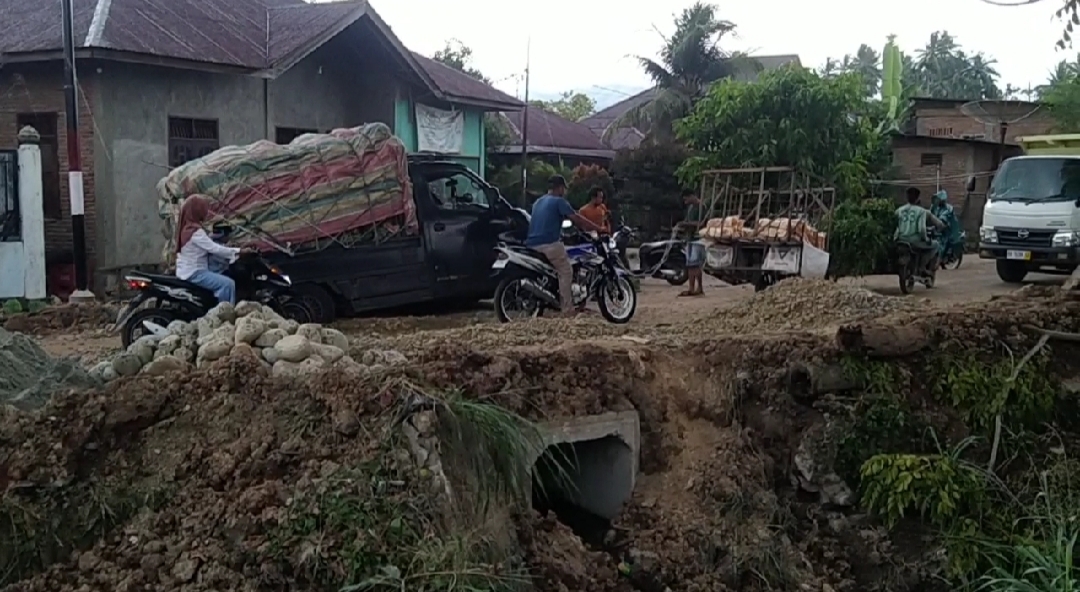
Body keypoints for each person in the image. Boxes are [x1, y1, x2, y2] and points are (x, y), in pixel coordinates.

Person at [526, 175, 604, 315]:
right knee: (566, 271)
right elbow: (577, 219)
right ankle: (567, 309)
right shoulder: (559, 202)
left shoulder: (538, 202)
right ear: (560, 188)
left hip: (531, 244)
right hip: (549, 244)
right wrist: (598, 229)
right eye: (564, 188)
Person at [175, 195, 245, 304]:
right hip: (195, 272)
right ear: (196, 211)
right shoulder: (195, 232)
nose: (206, 212)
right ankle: (224, 315)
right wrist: (239, 251)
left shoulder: (188, 229)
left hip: (187, 270)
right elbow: (214, 249)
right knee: (227, 284)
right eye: (203, 209)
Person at [895, 187, 946, 275]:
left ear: (907, 198)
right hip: (914, 240)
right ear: (918, 198)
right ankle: (922, 266)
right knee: (935, 245)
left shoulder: (899, 210)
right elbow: (921, 229)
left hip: (901, 239)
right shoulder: (922, 211)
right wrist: (926, 239)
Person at [676, 188, 706, 297]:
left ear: (692, 196)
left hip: (698, 238)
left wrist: (685, 224)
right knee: (690, 264)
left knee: (695, 264)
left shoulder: (701, 207)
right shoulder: (691, 208)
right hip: (690, 238)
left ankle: (698, 288)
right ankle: (692, 288)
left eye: (686, 199)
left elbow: (701, 223)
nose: (686, 202)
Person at [930, 190, 962, 263]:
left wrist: (939, 223)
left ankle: (940, 258)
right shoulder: (934, 207)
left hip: (946, 229)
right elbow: (930, 214)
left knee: (941, 244)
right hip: (935, 227)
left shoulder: (948, 208)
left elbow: (944, 218)